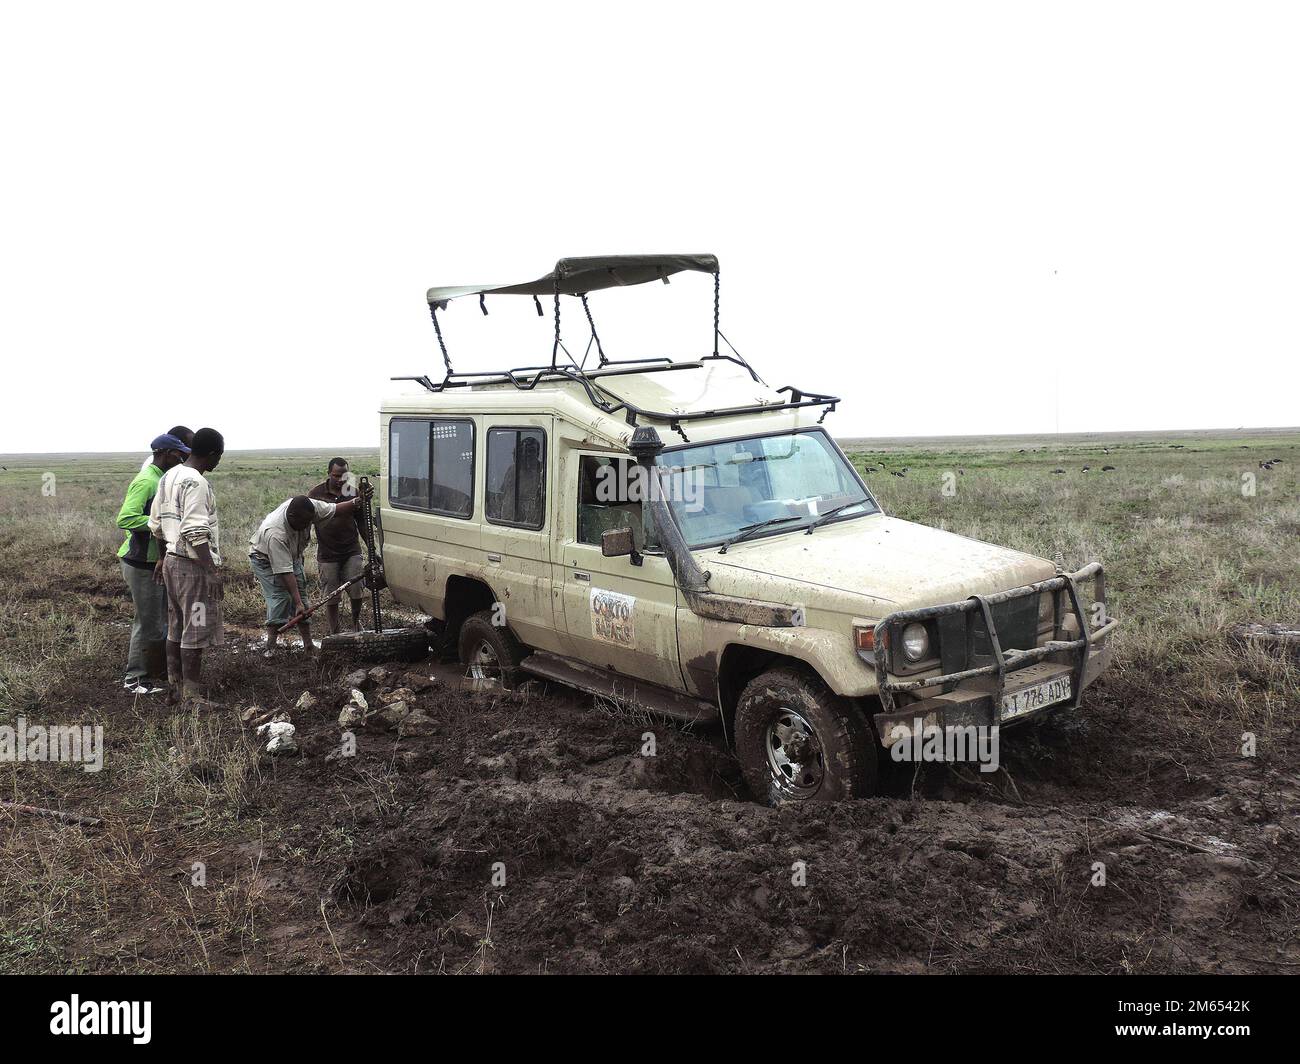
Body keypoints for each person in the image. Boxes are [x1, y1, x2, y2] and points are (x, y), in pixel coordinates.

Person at [148, 427, 225, 703]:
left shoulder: (169, 476)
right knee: (195, 627)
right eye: (219, 456)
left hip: (171, 562)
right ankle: (192, 697)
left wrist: (161, 558)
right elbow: (194, 530)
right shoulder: (196, 482)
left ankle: (175, 689)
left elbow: (156, 524)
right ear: (212, 454)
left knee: (176, 626)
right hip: (192, 567)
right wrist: (211, 571)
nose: (218, 462)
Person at [248, 487, 370, 655]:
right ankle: (271, 646)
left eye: (309, 522)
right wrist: (296, 602)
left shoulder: (311, 507)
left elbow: (336, 509)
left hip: (292, 556)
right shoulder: (276, 534)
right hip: (264, 559)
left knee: (302, 600)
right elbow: (285, 572)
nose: (307, 526)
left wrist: (358, 501)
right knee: (280, 598)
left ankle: (308, 645)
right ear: (291, 517)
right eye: (304, 524)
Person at [116, 432, 191, 694]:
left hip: (152, 561)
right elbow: (125, 518)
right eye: (178, 454)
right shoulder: (147, 481)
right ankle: (135, 679)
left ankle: (154, 671)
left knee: (157, 620)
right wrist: (160, 523)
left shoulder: (161, 478)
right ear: (166, 454)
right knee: (147, 623)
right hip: (140, 562)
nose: (182, 459)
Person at [308, 457, 366, 635]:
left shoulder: (353, 492)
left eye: (344, 475)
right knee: (331, 595)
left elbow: (362, 523)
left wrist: (372, 549)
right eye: (336, 475)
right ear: (328, 473)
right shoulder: (315, 494)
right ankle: (335, 632)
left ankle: (356, 624)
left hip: (351, 550)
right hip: (327, 553)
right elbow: (306, 522)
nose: (341, 480)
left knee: (356, 590)